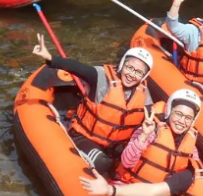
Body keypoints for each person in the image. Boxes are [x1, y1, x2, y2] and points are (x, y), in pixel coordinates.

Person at [32, 33, 154, 173]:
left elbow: (150, 118)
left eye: (138, 72)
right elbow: (76, 67)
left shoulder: (143, 92)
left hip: (115, 145)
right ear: (122, 65)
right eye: (129, 68)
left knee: (135, 165)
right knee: (103, 164)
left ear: (144, 76)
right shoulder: (100, 77)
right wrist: (50, 58)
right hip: (84, 137)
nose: (132, 74)